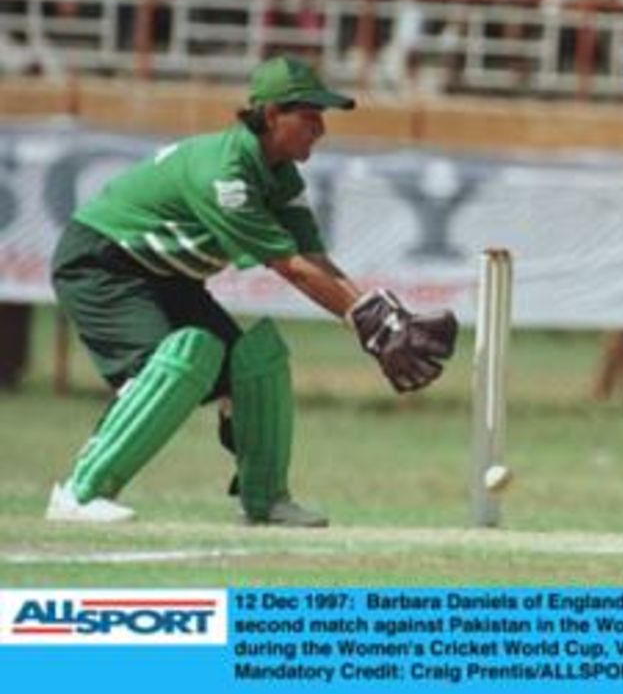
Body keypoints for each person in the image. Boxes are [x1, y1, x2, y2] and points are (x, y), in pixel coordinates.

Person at [46, 56, 458, 527]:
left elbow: (313, 259)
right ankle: (79, 493)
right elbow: (289, 267)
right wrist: (369, 322)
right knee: (180, 359)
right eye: (309, 116)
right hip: (104, 264)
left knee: (257, 364)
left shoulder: (282, 176)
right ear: (269, 115)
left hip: (166, 276)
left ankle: (265, 501)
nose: (320, 129)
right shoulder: (227, 174)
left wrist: (370, 317)